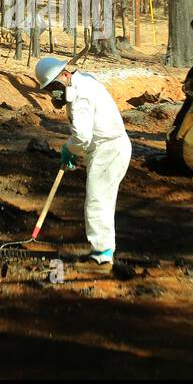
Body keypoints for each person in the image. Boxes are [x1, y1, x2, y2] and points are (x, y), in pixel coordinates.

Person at [34, 56, 132, 270]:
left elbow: (82, 137)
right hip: (105, 149)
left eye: (55, 87)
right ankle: (103, 253)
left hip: (109, 151)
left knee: (98, 202)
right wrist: (79, 153)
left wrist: (69, 149)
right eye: (49, 89)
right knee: (99, 200)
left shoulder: (80, 95)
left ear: (66, 75)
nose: (54, 93)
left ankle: (102, 259)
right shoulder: (82, 84)